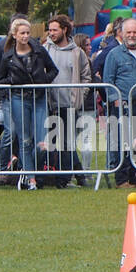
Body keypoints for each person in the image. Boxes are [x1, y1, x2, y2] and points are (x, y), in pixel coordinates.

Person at [0, 20, 59, 190]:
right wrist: (12, 81)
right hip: (18, 98)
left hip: (39, 97)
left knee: (42, 142)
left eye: (27, 33)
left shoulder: (39, 51)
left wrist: (42, 81)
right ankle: (30, 178)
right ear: (14, 35)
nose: (25, 36)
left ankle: (26, 168)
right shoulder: (8, 56)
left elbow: (53, 70)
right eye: (22, 33)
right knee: (24, 140)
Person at [102, 19, 136, 186]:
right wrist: (115, 100)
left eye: (135, 32)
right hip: (123, 105)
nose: (132, 35)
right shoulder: (114, 54)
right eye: (129, 32)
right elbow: (108, 80)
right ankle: (122, 179)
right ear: (122, 34)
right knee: (122, 142)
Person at [43, 14, 91, 186]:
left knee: (66, 142)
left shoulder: (77, 53)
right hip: (49, 104)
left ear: (64, 30)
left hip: (69, 105)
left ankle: (65, 178)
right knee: (56, 142)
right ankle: (75, 175)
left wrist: (80, 95)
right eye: (50, 30)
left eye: (55, 30)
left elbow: (86, 76)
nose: (51, 33)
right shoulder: (45, 49)